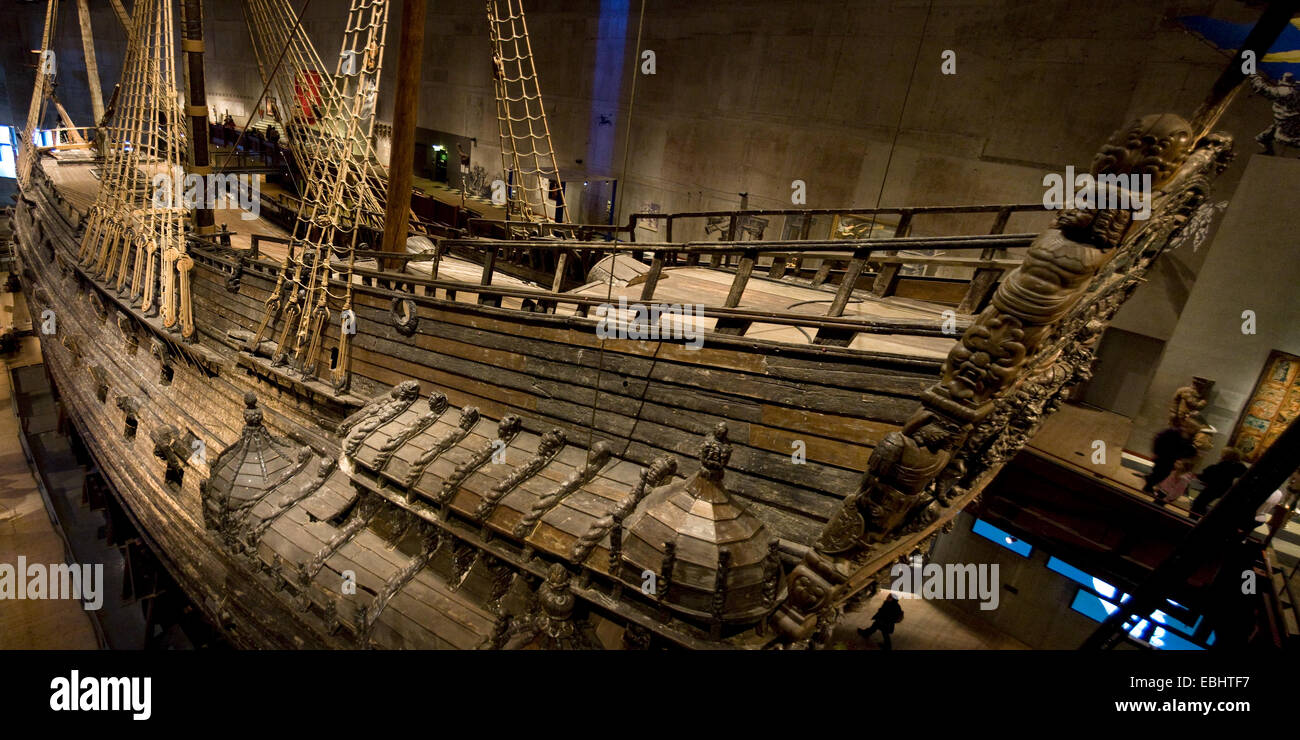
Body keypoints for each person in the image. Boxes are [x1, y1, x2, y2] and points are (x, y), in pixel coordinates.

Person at [1189, 447, 1248, 519]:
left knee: (1198, 504)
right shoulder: (1241, 468)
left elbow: (1205, 477)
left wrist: (1196, 475)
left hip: (1214, 489)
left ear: (1225, 456)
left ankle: (1193, 520)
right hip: (1228, 491)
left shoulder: (1219, 466)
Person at [1144, 426, 1197, 494]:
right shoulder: (1174, 431)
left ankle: (1150, 485)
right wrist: (1156, 452)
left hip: (1173, 459)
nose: (1192, 430)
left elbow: (1187, 449)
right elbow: (1159, 438)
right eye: (1191, 427)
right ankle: (1148, 487)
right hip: (1163, 455)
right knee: (1158, 473)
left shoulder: (1189, 438)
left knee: (1164, 475)